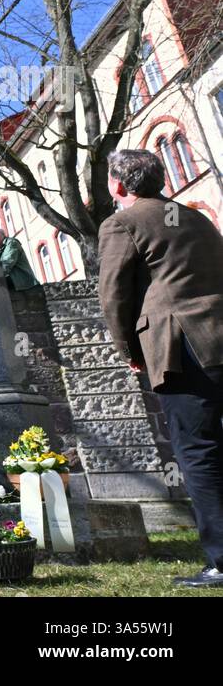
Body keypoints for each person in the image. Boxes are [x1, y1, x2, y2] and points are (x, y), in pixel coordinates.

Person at [98, 149, 223, 588]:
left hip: (180, 345)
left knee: (199, 452)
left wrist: (130, 349)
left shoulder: (122, 223)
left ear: (118, 185)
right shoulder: (195, 217)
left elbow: (114, 296)